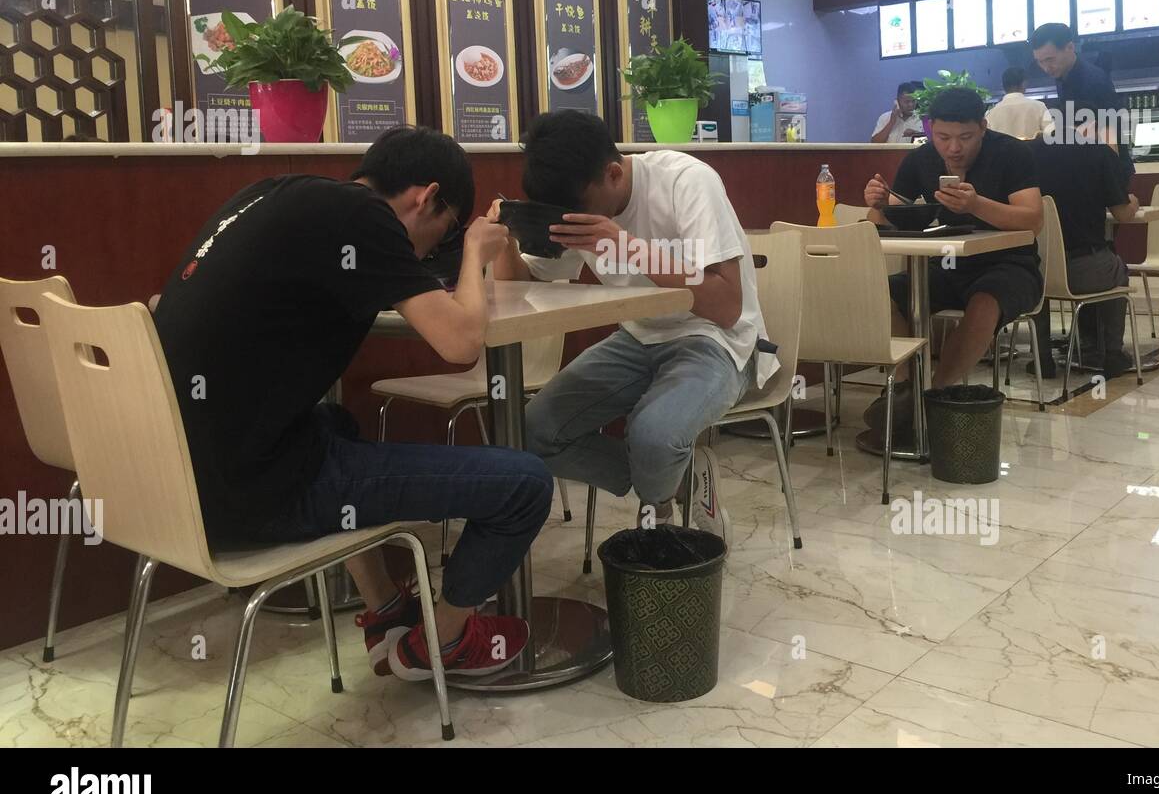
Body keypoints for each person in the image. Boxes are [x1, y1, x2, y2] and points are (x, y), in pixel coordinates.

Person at [152, 126, 553, 681]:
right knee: (525, 484)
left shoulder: (273, 192)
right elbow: (460, 343)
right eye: (440, 235)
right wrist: (474, 253)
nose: (426, 253)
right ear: (426, 197)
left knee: (333, 420)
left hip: (171, 484)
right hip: (245, 495)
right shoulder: (368, 220)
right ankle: (442, 641)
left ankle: (387, 610)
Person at [490, 110, 774, 544]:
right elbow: (519, 285)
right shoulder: (577, 202)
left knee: (653, 436)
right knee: (530, 430)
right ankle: (680, 478)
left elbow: (727, 304)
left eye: (580, 213)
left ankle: (661, 489)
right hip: (637, 337)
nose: (574, 221)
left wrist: (627, 247)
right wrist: (505, 239)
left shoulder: (686, 181)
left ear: (613, 173)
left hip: (715, 339)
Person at [859, 87, 1043, 453]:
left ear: (983, 127)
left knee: (985, 300)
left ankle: (934, 398)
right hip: (943, 265)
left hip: (1011, 263)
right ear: (931, 131)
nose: (953, 148)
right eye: (943, 137)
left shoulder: (1011, 153)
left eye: (965, 137)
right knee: (883, 294)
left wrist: (976, 205)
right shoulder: (920, 160)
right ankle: (911, 390)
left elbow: (1033, 220)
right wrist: (878, 204)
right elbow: (885, 222)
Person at [1030, 135, 1139, 378]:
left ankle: (1042, 358)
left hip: (1035, 271)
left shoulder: (1029, 153)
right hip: (1085, 271)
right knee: (1117, 269)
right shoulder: (1098, 152)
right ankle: (1112, 354)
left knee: (1040, 286)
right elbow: (1122, 214)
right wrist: (1134, 201)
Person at [1031, 22, 1135, 181]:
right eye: (1040, 61)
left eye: (1050, 59)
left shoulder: (1094, 81)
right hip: (1087, 167)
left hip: (1107, 172)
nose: (1046, 67)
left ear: (1070, 48)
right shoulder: (1062, 76)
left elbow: (1109, 135)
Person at [985, 66, 1053, 141]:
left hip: (1003, 152)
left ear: (1002, 85)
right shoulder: (1039, 107)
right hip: (1033, 151)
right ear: (1024, 83)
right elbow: (1051, 134)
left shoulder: (991, 113)